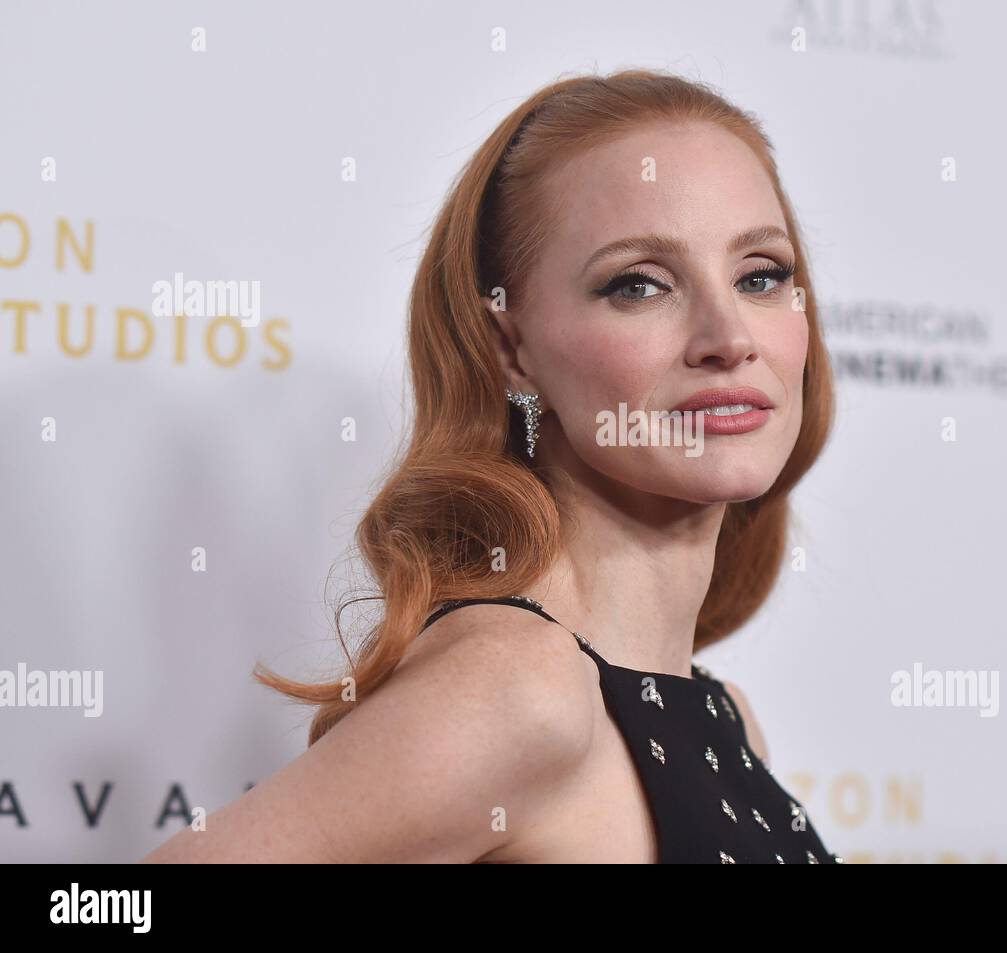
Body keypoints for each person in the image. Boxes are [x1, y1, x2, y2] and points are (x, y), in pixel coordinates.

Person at [142, 68, 839, 863]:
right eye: (639, 285)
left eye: (761, 275)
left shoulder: (727, 721)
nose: (729, 335)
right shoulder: (522, 694)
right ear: (511, 348)